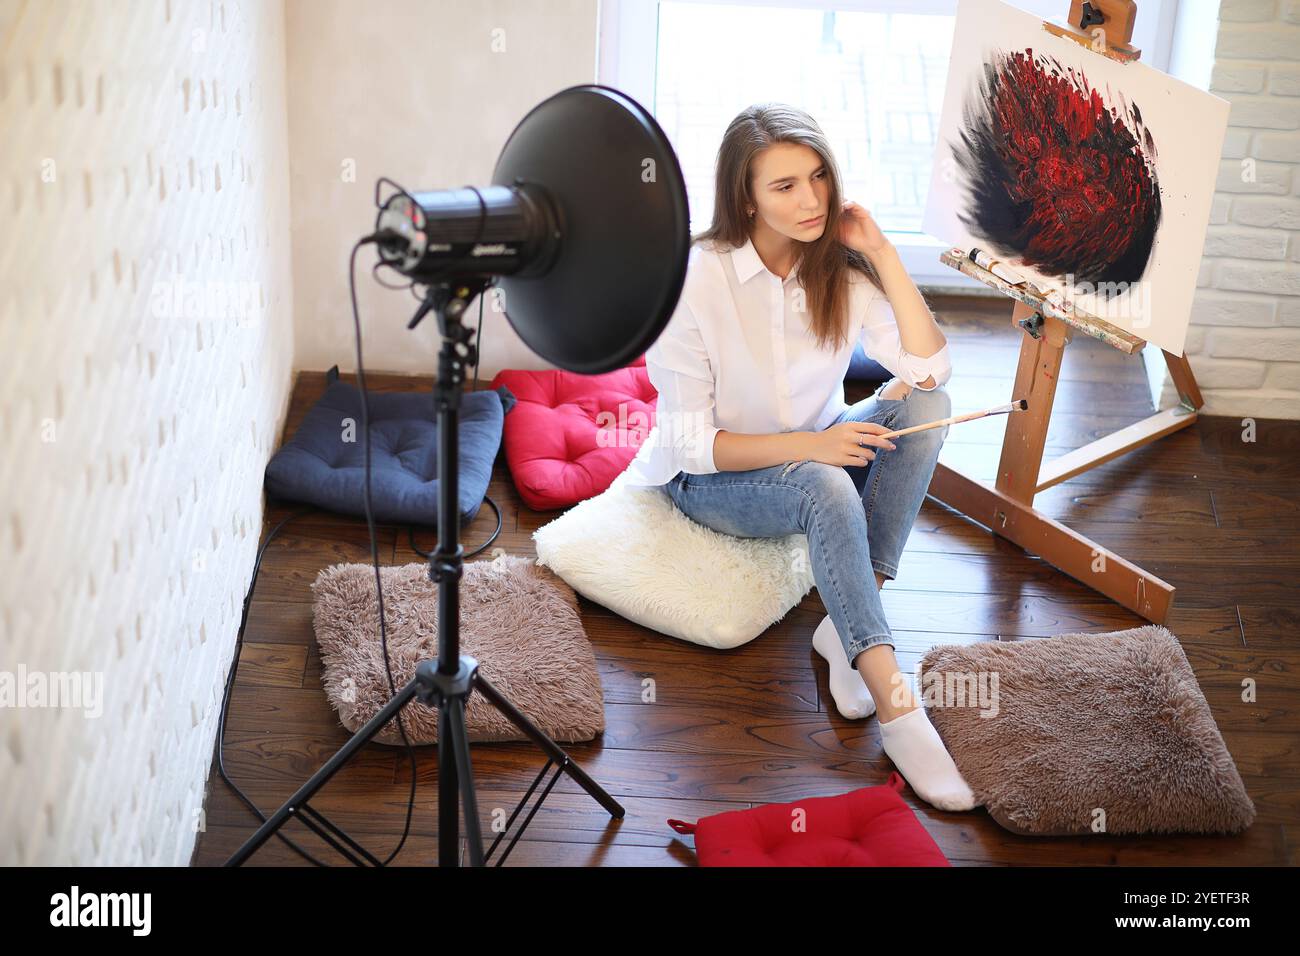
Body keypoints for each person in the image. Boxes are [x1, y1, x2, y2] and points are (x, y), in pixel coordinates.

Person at [620, 103, 977, 812]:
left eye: (817, 176)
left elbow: (931, 370)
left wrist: (880, 253)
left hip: (813, 451)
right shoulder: (693, 278)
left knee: (925, 409)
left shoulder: (835, 269)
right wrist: (815, 448)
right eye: (783, 185)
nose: (810, 198)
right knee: (823, 481)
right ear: (743, 195)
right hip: (709, 477)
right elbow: (693, 443)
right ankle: (899, 706)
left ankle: (845, 627)